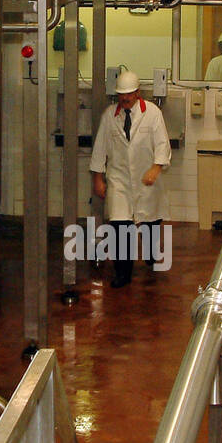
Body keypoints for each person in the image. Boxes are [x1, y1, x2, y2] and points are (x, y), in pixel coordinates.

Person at [90, 69, 171, 288]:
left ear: (137, 93)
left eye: (129, 94)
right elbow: (100, 149)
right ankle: (123, 273)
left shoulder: (152, 113)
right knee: (120, 227)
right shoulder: (109, 116)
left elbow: (163, 143)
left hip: (147, 179)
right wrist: (98, 178)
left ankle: (152, 256)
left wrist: (156, 167)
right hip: (119, 180)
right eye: (121, 95)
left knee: (151, 222)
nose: (124, 99)